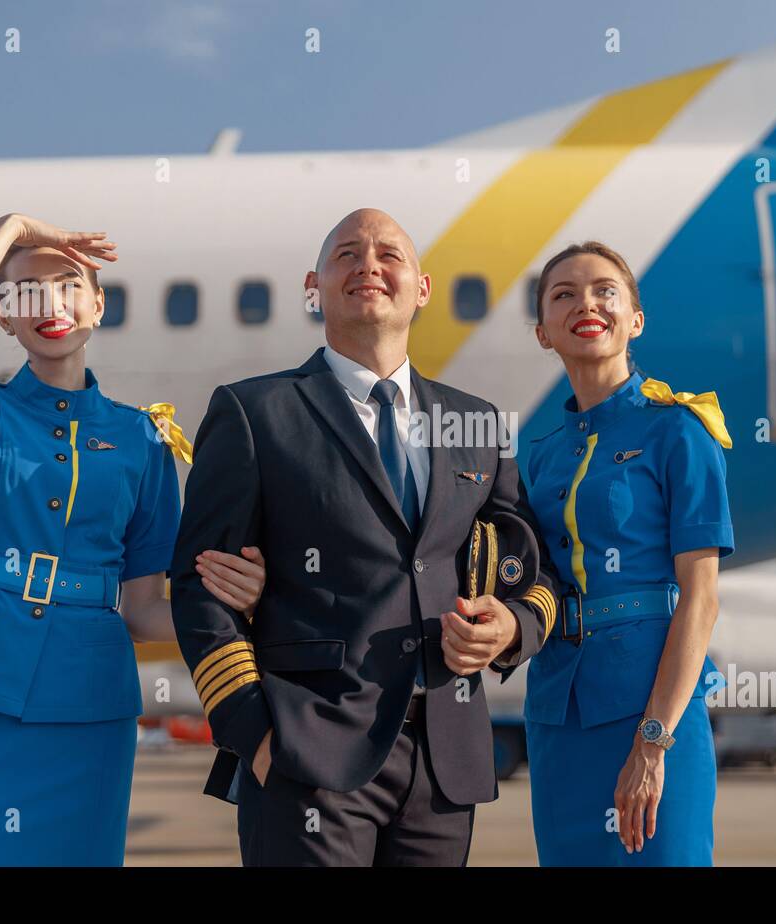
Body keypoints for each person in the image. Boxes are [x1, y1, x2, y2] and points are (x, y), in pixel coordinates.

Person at [170, 207, 559, 866]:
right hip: (306, 756)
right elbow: (199, 587)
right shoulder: (254, 412)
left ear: (422, 289)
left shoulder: (478, 423)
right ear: (314, 287)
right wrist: (257, 738)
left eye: (389, 255)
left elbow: (531, 571)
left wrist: (513, 628)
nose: (368, 266)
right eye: (346, 254)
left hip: (443, 764)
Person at [0, 213, 262, 866]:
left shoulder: (143, 439)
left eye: (66, 286)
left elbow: (145, 608)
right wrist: (11, 228)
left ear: (98, 304)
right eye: (24, 293)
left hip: (88, 705)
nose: (49, 305)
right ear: (3, 316)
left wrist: (251, 609)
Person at [519, 240, 734, 866]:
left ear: (634, 319)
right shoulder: (544, 453)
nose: (586, 303)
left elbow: (701, 599)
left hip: (650, 706)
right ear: (543, 332)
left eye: (604, 291)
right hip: (560, 712)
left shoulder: (679, 431)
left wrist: (653, 741)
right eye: (563, 295)